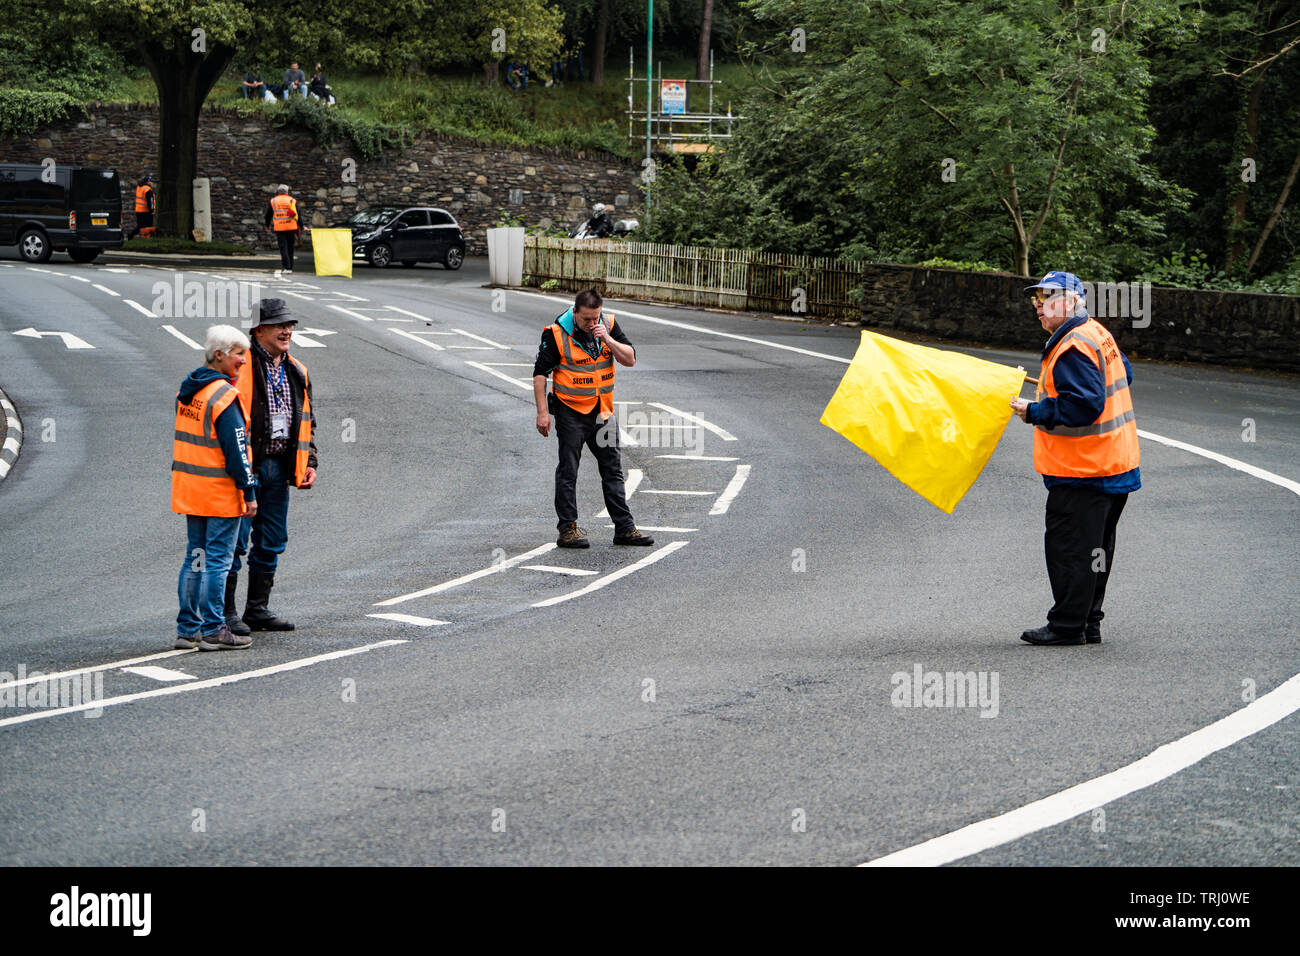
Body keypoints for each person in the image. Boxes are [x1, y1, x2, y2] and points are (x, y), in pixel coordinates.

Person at [1009, 271, 1141, 646]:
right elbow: (1124, 375)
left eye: (1047, 297)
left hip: (1084, 470)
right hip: (1114, 465)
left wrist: (1034, 411)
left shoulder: (1069, 345)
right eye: (1036, 298)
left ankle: (1067, 626)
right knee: (1096, 550)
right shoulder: (1096, 333)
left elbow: (1083, 406)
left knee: (1070, 550)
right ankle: (1088, 622)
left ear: (1070, 302)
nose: (1038, 305)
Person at [533, 288, 654, 548]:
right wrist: (543, 412)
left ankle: (624, 528)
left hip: (602, 412)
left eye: (595, 318)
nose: (591, 323)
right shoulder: (555, 333)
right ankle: (568, 530)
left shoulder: (608, 325)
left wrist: (608, 339)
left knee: (613, 470)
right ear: (574, 313)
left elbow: (630, 359)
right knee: (569, 471)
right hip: (571, 412)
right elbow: (540, 373)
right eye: (586, 319)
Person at [227, 298, 318, 635]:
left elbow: (308, 421)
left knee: (271, 540)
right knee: (235, 543)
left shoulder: (297, 369)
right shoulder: (239, 365)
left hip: (280, 467)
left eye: (290, 324)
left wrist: (309, 461)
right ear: (258, 330)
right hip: (245, 467)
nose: (287, 330)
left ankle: (256, 610)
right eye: (279, 325)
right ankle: (227, 614)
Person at [172, 325, 258, 651]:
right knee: (218, 562)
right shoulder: (224, 396)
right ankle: (213, 629)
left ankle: (187, 630)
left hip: (190, 488)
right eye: (238, 354)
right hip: (219, 492)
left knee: (195, 558)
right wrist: (248, 492)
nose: (243, 362)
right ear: (219, 355)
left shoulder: (189, 390)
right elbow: (237, 452)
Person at [264, 184, 302, 273]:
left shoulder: (273, 201)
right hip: (291, 227)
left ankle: (287, 267)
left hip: (280, 228)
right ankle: (290, 267)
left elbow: (268, 215)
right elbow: (298, 215)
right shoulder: (292, 200)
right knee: (290, 248)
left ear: (278, 191)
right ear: (287, 191)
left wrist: (267, 225)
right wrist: (302, 226)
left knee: (283, 248)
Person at [128, 174, 155, 239]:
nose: (152, 183)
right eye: (151, 181)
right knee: (148, 226)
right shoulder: (147, 189)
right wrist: (151, 210)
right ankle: (145, 238)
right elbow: (150, 201)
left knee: (141, 226)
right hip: (146, 211)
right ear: (148, 182)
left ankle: (134, 235)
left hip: (138, 210)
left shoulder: (139, 187)